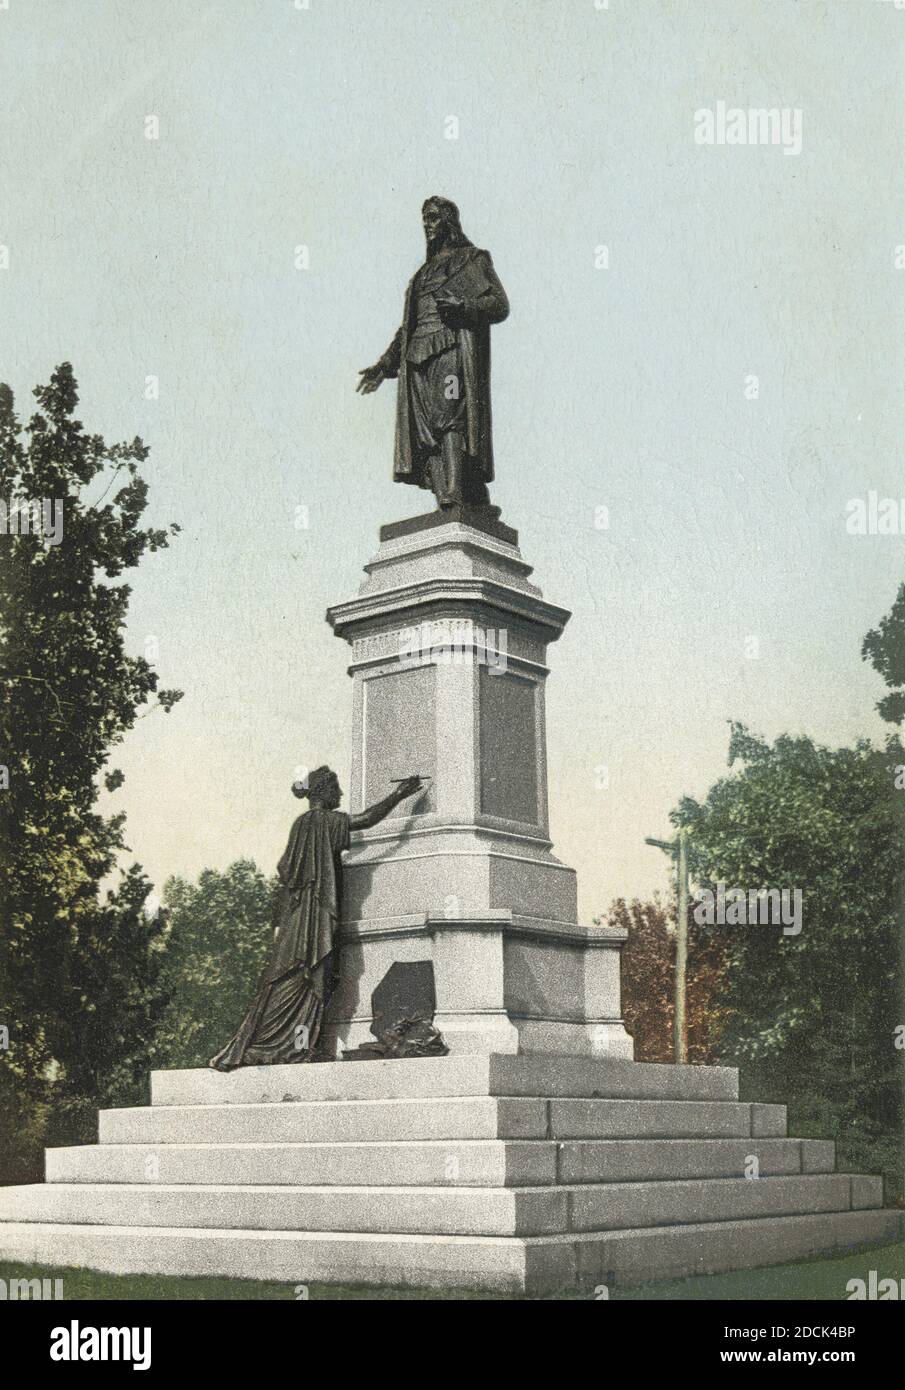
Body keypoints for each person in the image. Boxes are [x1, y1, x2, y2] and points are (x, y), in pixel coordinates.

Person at [209, 766, 422, 1069]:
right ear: (324, 790)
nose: (341, 794)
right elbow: (365, 820)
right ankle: (295, 1048)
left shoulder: (301, 825)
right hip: (316, 918)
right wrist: (399, 795)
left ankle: (290, 1045)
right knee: (312, 984)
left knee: (300, 983)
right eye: (336, 788)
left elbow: (285, 871)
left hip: (298, 918)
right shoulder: (324, 821)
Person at [356, 196, 509, 510]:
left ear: (449, 222)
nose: (427, 225)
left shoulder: (473, 259)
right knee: (426, 433)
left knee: (451, 416)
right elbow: (406, 328)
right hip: (416, 360)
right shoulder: (421, 275)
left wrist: (464, 306)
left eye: (434, 218)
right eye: (424, 219)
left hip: (450, 352)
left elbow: (500, 305)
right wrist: (384, 366)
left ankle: (455, 489)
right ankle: (446, 500)